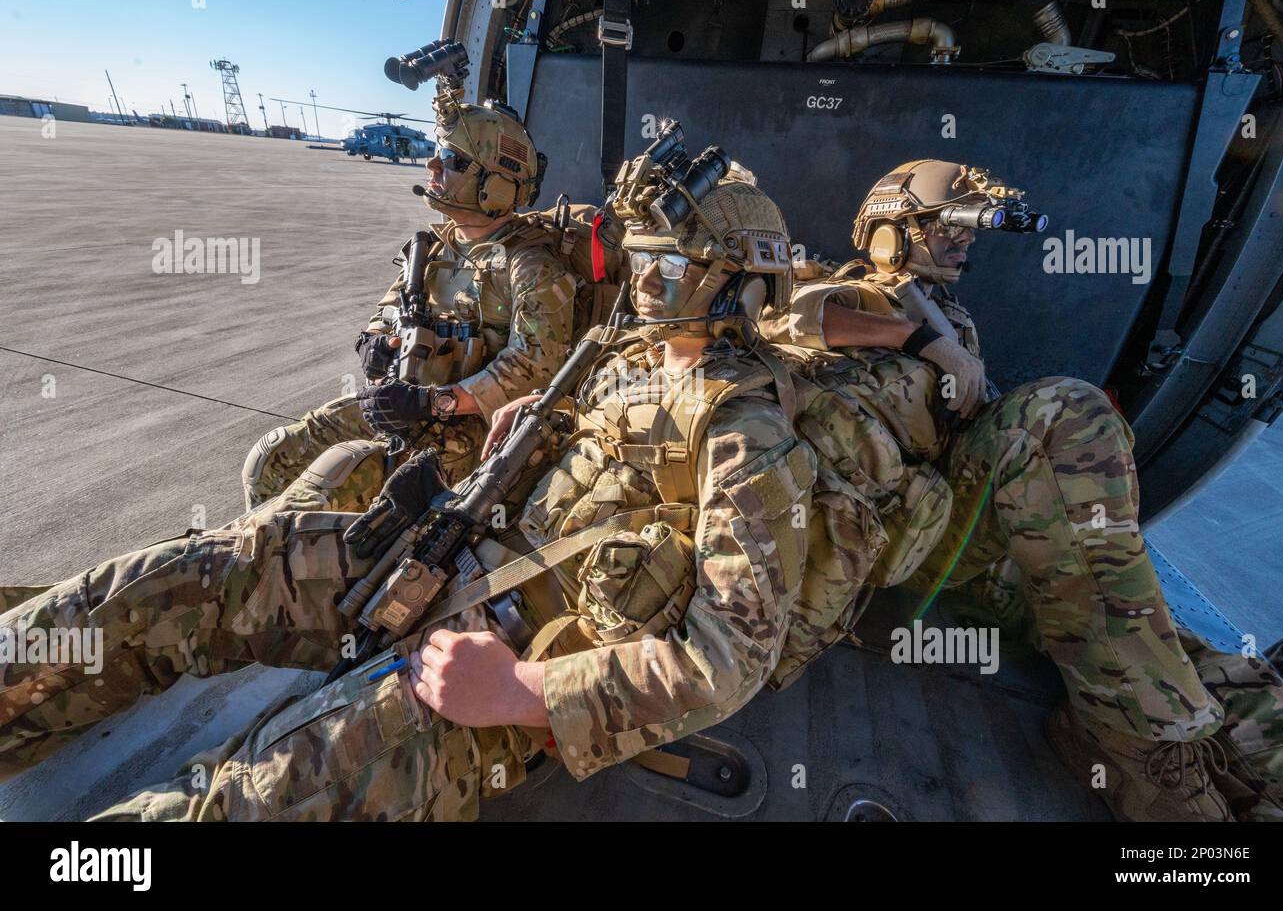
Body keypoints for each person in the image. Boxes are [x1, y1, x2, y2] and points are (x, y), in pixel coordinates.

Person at [0, 158, 816, 821]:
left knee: (264, 794)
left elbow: (726, 661)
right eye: (639, 257)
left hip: (508, 663)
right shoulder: (631, 357)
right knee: (193, 577)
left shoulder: (747, 435)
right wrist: (532, 416)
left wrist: (519, 691)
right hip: (445, 552)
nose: (643, 282)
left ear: (742, 285)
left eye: (668, 265)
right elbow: (573, 409)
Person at [765, 159, 1283, 822]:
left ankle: (1238, 773)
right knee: (1064, 412)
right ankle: (1134, 746)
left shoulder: (950, 315)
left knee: (1206, 665)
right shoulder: (854, 287)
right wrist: (921, 340)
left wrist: (948, 344)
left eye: (969, 231)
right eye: (945, 227)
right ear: (886, 229)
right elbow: (789, 318)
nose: (963, 241)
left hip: (979, 543)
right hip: (895, 534)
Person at [240, 94, 578, 511]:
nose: (432, 167)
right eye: (438, 155)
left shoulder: (530, 266)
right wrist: (376, 341)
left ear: (498, 185)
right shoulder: (433, 248)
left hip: (472, 428)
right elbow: (389, 309)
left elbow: (535, 365)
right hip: (407, 401)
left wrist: (436, 402)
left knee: (330, 490)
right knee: (269, 461)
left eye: (453, 161)